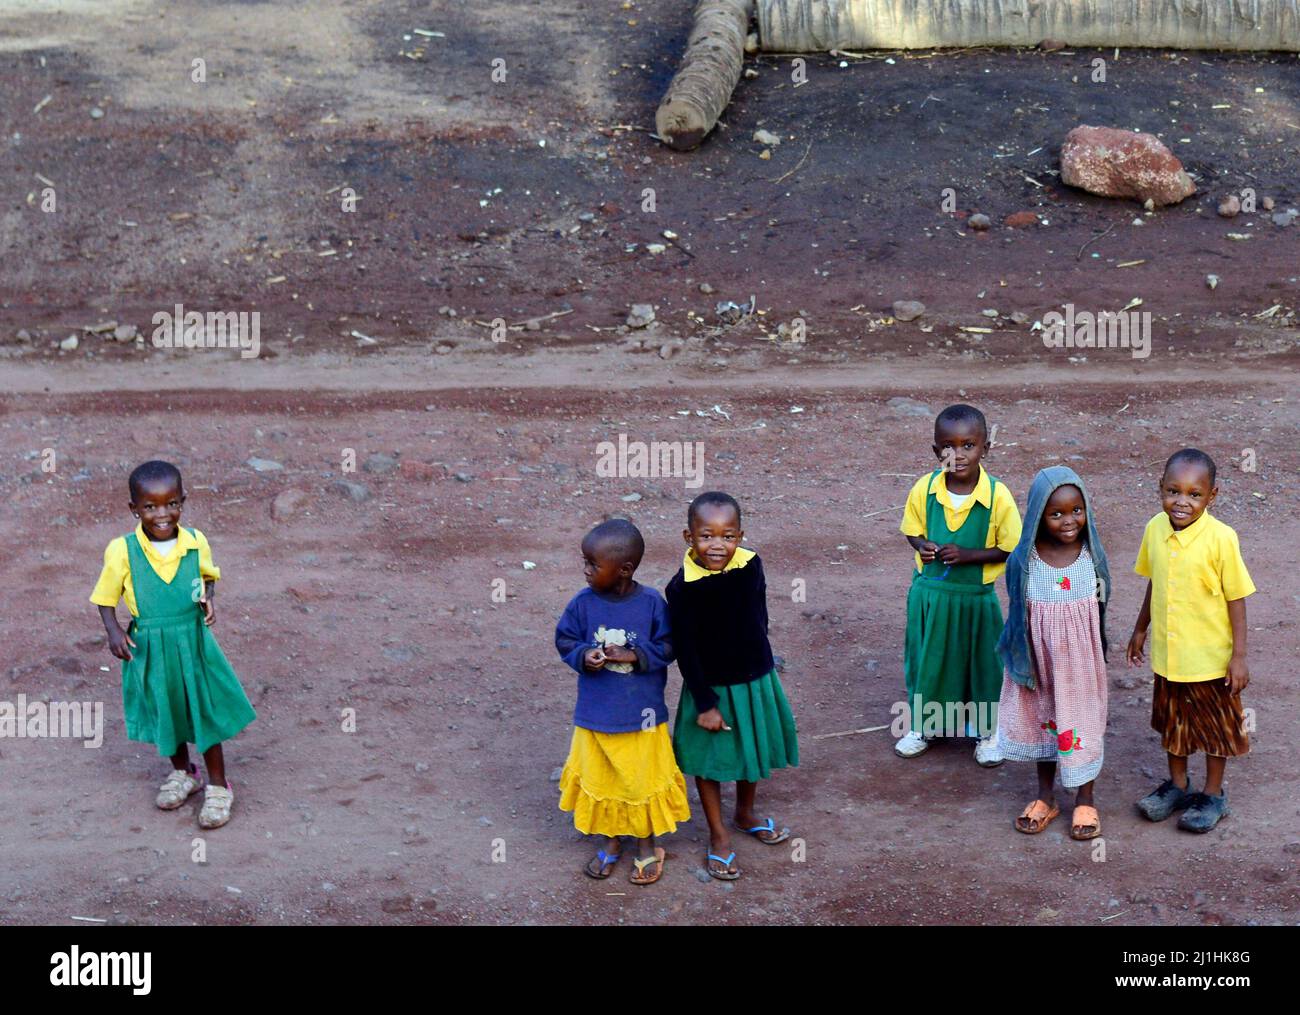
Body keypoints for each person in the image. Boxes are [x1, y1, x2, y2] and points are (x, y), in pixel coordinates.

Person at [90, 460, 256, 829]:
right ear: (134, 509)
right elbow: (104, 596)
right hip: (150, 643)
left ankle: (218, 785)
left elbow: (207, 578)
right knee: (168, 709)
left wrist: (208, 597)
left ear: (183, 501)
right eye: (150, 507)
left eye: (171, 504)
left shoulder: (195, 541)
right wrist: (114, 632)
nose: (162, 514)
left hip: (192, 640)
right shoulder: (122, 550)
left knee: (203, 709)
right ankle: (185, 773)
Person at [667, 492, 798, 881]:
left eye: (727, 536)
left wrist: (762, 665)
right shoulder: (682, 588)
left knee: (749, 748)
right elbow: (686, 652)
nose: (717, 545)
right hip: (710, 689)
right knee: (708, 761)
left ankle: (744, 813)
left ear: (740, 535)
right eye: (706, 536)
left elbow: (759, 614)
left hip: (754, 679)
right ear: (688, 537)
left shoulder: (751, 564)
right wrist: (705, 703)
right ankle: (718, 835)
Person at [555, 519, 688, 885]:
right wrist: (585, 655)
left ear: (624, 570)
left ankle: (647, 846)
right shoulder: (582, 604)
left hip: (641, 718)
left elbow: (670, 646)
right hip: (596, 715)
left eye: (593, 565)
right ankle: (612, 841)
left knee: (639, 782)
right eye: (585, 562)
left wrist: (634, 654)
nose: (585, 571)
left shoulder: (650, 604)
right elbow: (565, 640)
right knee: (603, 779)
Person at [1128, 449, 1254, 833]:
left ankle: (1213, 794)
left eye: (1194, 495)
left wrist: (1239, 657)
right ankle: (1178, 786)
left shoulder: (1221, 539)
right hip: (1170, 658)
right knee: (1175, 726)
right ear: (1160, 489)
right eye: (1173, 491)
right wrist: (1140, 628)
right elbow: (1156, 581)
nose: (1181, 502)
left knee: (1217, 731)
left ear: (1211, 496)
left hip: (1210, 661)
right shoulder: (1155, 529)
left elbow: (1237, 598)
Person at [898, 404, 1022, 764]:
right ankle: (926, 725)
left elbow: (1011, 548)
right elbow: (912, 530)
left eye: (969, 445)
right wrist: (923, 546)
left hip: (976, 600)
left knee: (981, 663)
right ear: (937, 452)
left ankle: (987, 733)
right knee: (930, 661)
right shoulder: (925, 488)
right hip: (931, 597)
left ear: (986, 448)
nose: (959, 454)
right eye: (948, 447)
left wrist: (969, 555)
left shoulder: (997, 495)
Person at [996, 467, 1111, 839]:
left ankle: (1085, 798)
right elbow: (1016, 612)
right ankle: (1046, 796)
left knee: (1082, 724)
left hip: (1078, 667)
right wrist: (1019, 660)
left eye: (1076, 510)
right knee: (1044, 722)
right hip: (1038, 663)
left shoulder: (1090, 557)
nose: (1068, 520)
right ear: (1036, 516)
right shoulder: (1022, 562)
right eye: (1056, 513)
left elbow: (1101, 605)